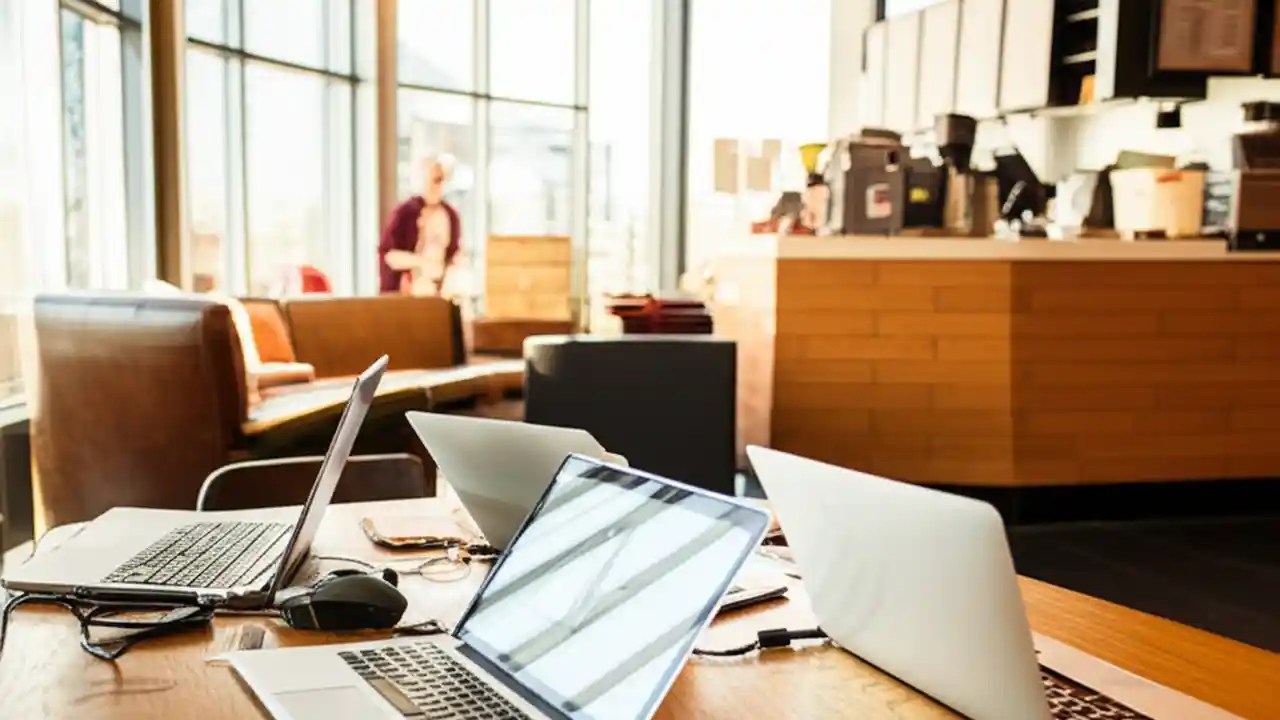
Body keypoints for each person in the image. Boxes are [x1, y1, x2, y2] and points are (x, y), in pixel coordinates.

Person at [379, 155, 461, 295]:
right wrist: (421, 262)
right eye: (434, 179)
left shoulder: (450, 216)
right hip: (408, 290)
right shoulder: (405, 213)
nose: (437, 185)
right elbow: (390, 255)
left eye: (440, 179)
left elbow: (452, 254)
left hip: (438, 289)